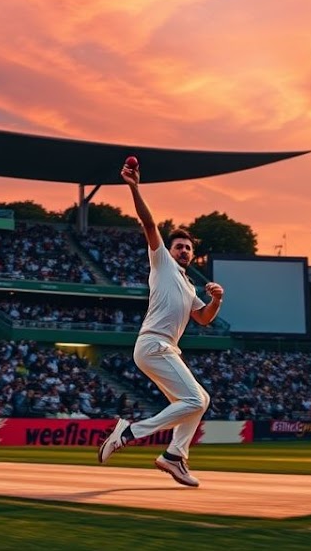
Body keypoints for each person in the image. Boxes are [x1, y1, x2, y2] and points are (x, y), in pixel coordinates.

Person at [96, 160, 224, 487]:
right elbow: (148, 223)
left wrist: (216, 300)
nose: (182, 250)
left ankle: (174, 456)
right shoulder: (162, 262)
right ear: (170, 250)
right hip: (154, 344)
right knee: (194, 400)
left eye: (188, 248)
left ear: (192, 256)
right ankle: (130, 433)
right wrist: (134, 187)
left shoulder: (188, 285)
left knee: (200, 400)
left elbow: (204, 319)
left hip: (164, 349)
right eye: (179, 246)